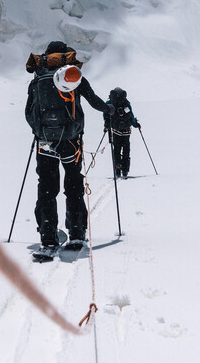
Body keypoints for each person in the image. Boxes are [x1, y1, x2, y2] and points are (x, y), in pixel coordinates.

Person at [24, 40, 112, 254]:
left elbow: (28, 112)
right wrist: (108, 109)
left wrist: (39, 132)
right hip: (71, 141)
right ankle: (76, 232)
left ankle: (48, 234)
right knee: (73, 185)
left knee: (46, 186)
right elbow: (94, 101)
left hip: (45, 142)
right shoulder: (73, 77)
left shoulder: (38, 80)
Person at [104, 87, 140, 179]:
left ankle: (117, 168)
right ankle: (125, 170)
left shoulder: (109, 103)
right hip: (126, 131)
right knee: (126, 151)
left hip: (116, 131)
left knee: (116, 149)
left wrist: (107, 124)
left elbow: (105, 115)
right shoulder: (126, 103)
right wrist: (136, 124)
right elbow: (131, 115)